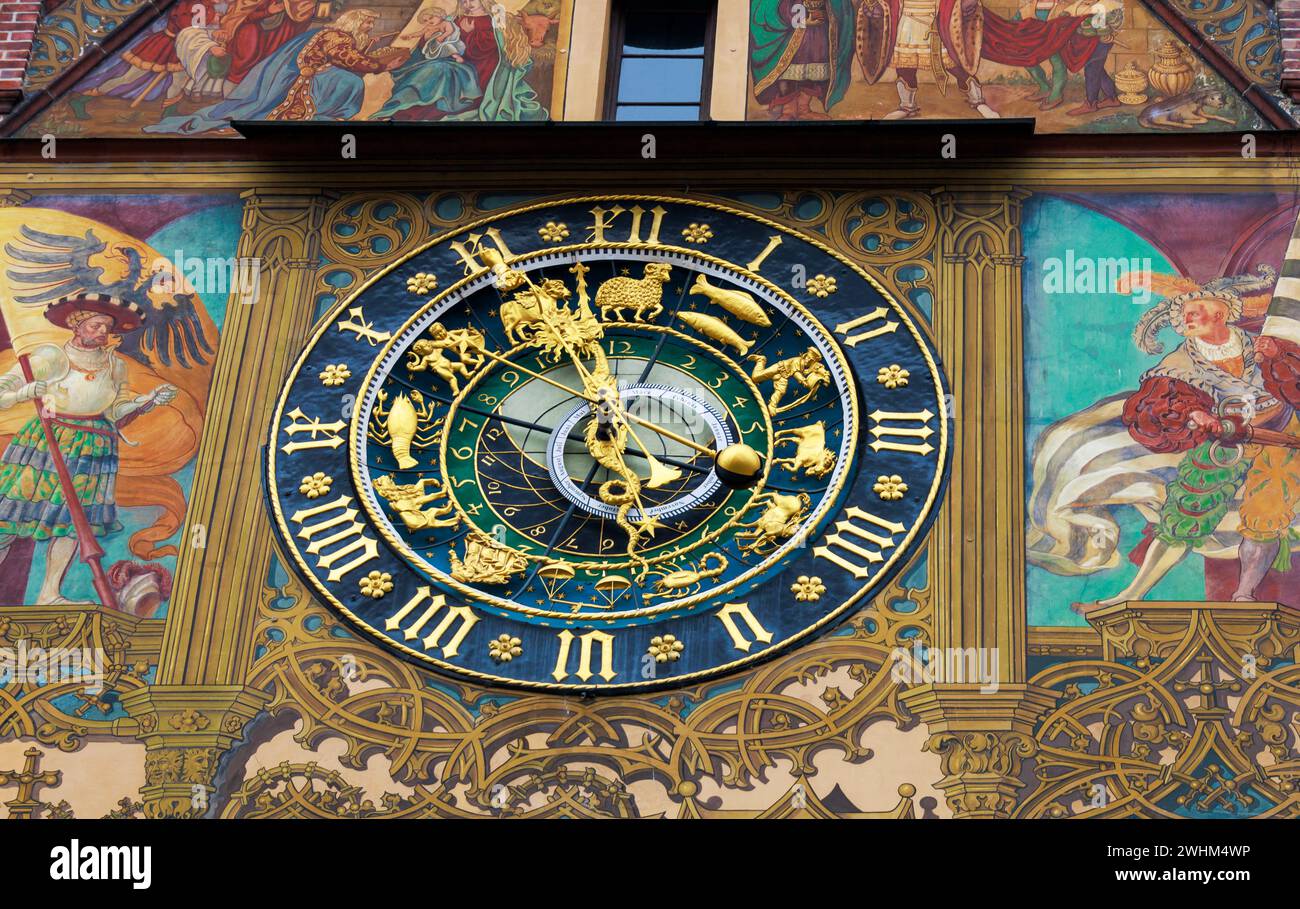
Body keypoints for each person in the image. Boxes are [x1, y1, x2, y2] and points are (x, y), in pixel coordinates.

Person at [0, 295, 176, 605]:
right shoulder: (49, 357)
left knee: (72, 524)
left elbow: (115, 410)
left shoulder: (115, 365)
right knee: (10, 517)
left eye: (106, 329)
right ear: (76, 324)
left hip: (93, 447)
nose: (101, 333)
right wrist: (27, 392)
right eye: (95, 325)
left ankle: (49, 594)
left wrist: (146, 402)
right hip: (47, 441)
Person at [144, 8, 403, 134]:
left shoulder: (330, 33)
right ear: (355, 22)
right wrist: (381, 64)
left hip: (308, 74)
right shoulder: (336, 36)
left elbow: (350, 54)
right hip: (302, 82)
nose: (370, 26)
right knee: (350, 82)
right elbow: (349, 59)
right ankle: (334, 113)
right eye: (368, 22)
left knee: (347, 78)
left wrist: (370, 51)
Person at [750, 0, 855, 120]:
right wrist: (803, 20)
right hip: (793, 35)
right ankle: (788, 110)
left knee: (812, 75)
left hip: (818, 34)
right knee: (789, 75)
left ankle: (803, 109)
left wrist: (828, 14)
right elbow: (779, 7)